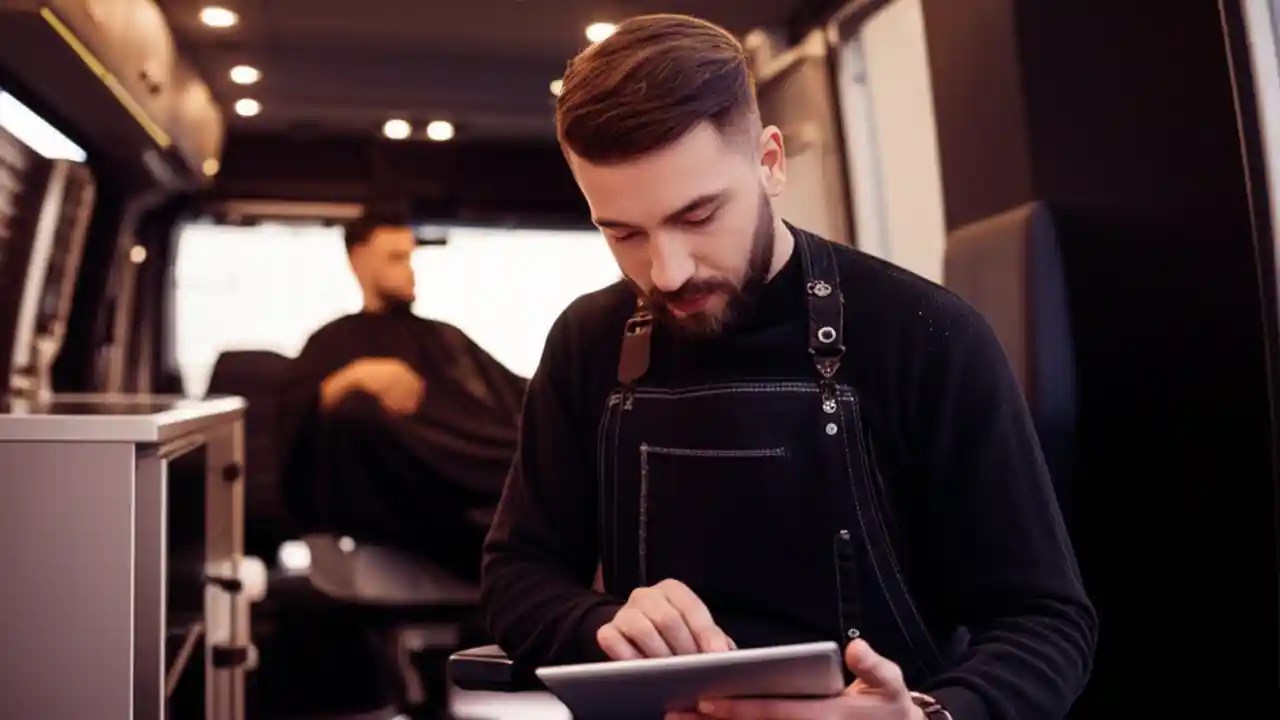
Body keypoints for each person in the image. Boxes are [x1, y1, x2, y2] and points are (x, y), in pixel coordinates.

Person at [479, 14, 1097, 720]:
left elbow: (1046, 623)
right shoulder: (588, 341)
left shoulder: (926, 334)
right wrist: (602, 625)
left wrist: (933, 715)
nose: (667, 270)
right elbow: (515, 579)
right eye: (623, 233)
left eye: (700, 214)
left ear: (770, 162)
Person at [278, 207, 526, 582]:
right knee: (354, 415)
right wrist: (353, 378)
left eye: (410, 257)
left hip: (485, 471)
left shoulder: (443, 336)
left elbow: (513, 394)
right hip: (405, 504)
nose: (409, 269)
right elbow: (300, 428)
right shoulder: (332, 342)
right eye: (395, 258)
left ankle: (521, 486)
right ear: (357, 260)